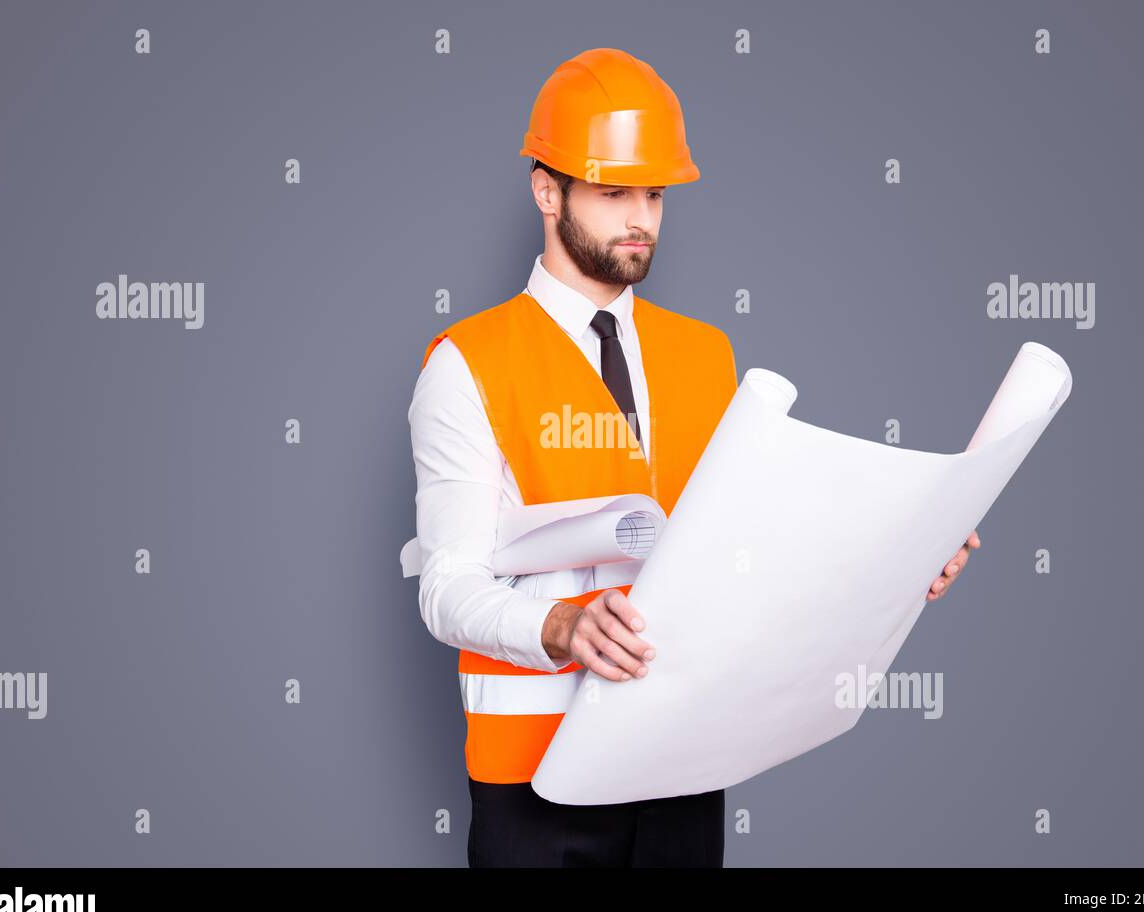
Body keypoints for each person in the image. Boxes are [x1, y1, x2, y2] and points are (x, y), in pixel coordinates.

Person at [406, 47, 978, 868]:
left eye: (654, 193)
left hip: (682, 759)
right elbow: (446, 585)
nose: (640, 216)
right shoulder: (467, 363)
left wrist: (902, 554)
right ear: (546, 189)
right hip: (534, 781)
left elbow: (749, 547)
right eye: (613, 192)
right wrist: (560, 625)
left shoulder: (705, 355)